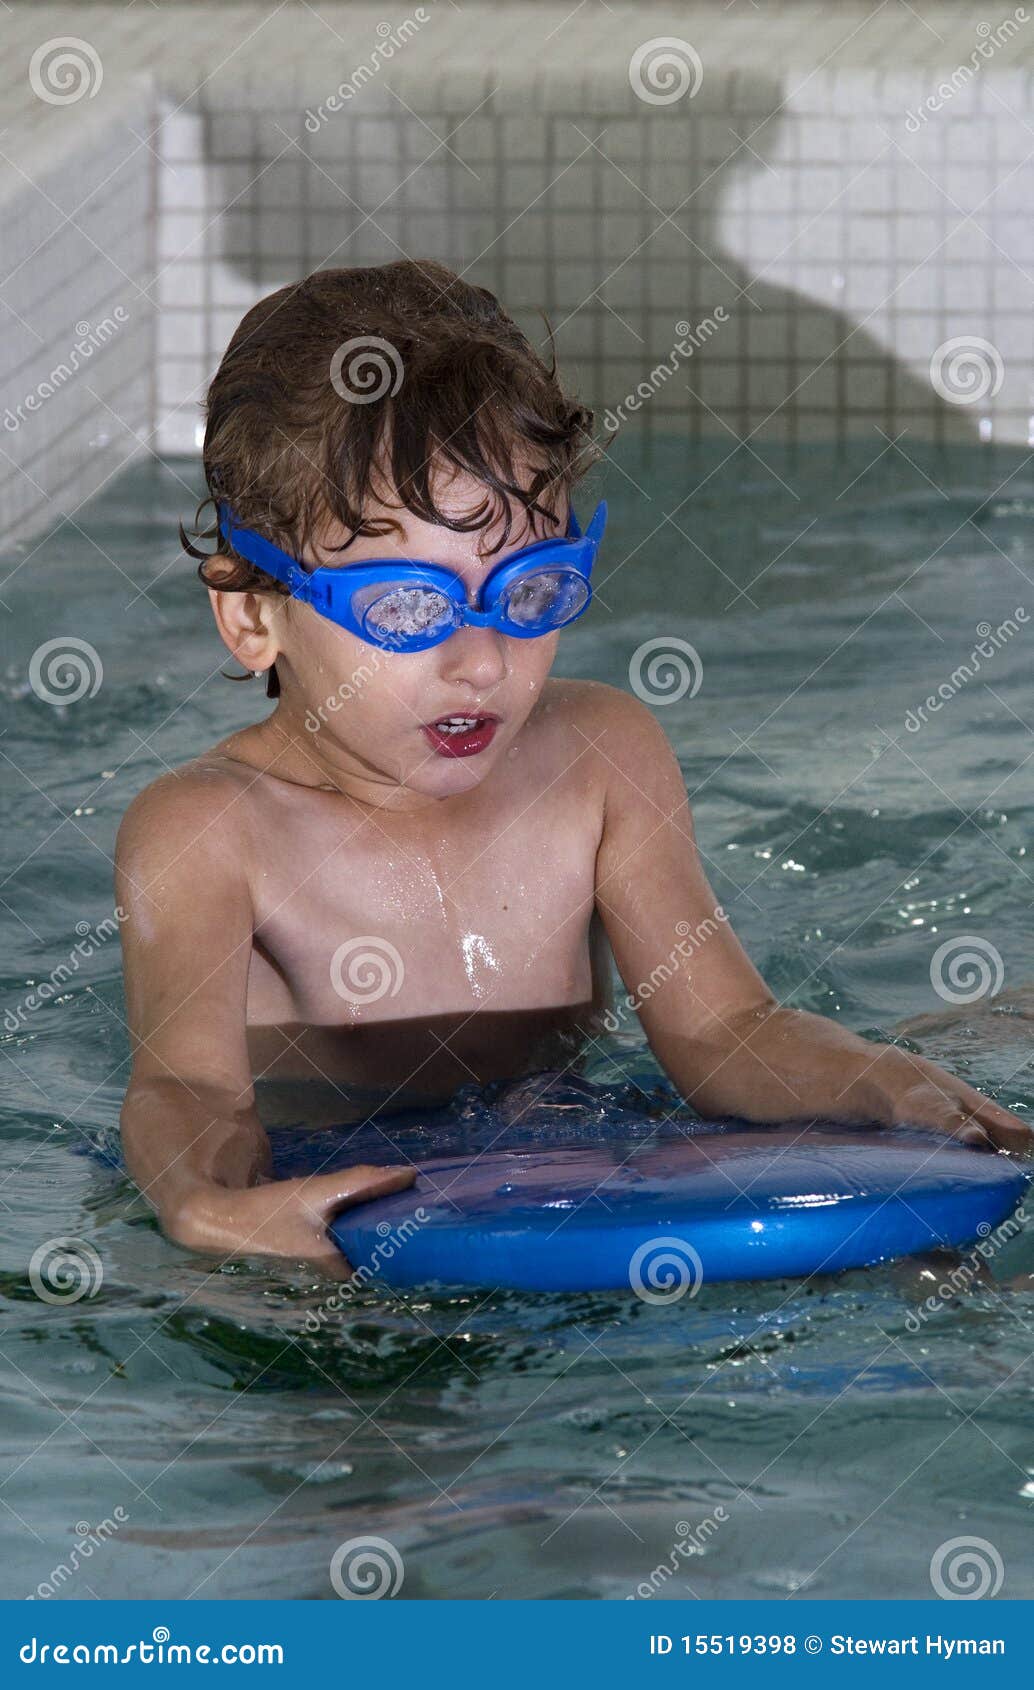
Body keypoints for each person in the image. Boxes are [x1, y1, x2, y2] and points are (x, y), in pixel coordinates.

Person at [115, 259, 1031, 1281]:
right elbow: (189, 1092)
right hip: (340, 1187)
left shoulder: (599, 754)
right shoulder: (209, 831)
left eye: (530, 588)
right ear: (252, 613)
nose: (480, 658)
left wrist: (887, 1089)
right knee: (362, 1411)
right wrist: (206, 1207)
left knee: (932, 1263)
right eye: (407, 607)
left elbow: (724, 1031)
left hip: (587, 1142)